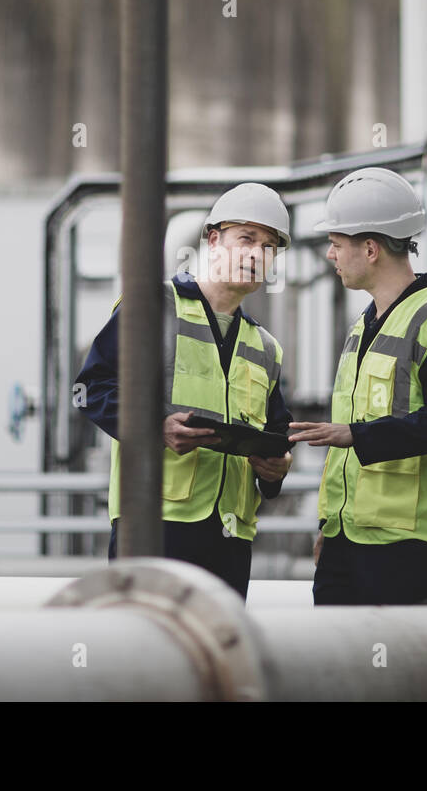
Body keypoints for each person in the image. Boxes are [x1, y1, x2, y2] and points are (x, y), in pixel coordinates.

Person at [75, 183, 294, 599]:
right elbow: (90, 388)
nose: (257, 254)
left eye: (269, 247)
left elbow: (277, 437)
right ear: (213, 241)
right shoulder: (154, 306)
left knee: (214, 654)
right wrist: (156, 427)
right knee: (146, 651)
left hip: (230, 536)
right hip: (155, 524)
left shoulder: (266, 347)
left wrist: (276, 470)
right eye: (246, 239)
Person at [289, 167, 427, 606]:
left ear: (369, 249)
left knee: (402, 675)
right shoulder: (361, 329)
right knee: (337, 672)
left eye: (336, 244)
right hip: (348, 545)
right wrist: (329, 527)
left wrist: (358, 435)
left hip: (413, 549)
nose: (330, 255)